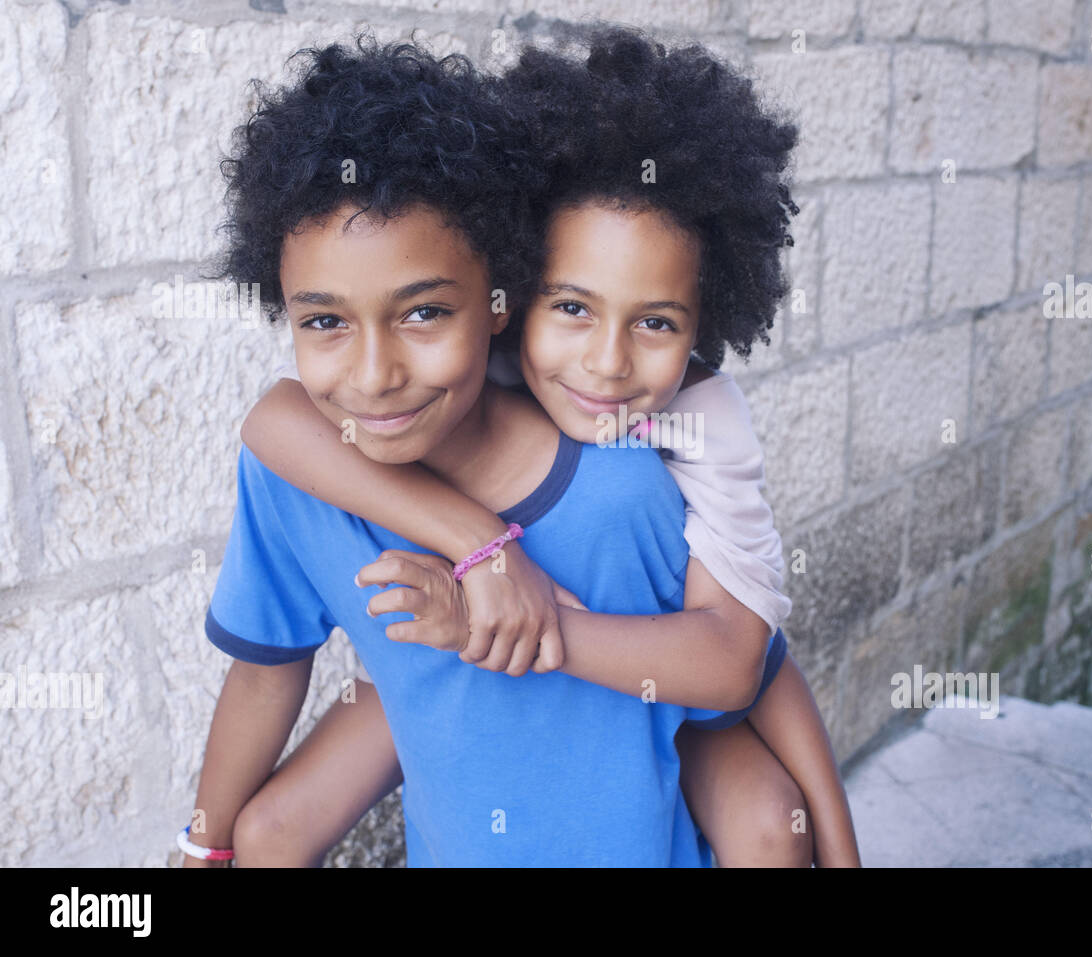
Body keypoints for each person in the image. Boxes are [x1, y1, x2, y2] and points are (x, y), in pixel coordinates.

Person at [222, 29, 860, 867]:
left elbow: (750, 661)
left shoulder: (698, 428)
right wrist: (478, 546)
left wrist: (841, 846)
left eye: (657, 322)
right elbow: (274, 422)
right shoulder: (458, 358)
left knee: (767, 818)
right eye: (571, 307)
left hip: (658, 675)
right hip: (426, 671)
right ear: (516, 292)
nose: (605, 361)